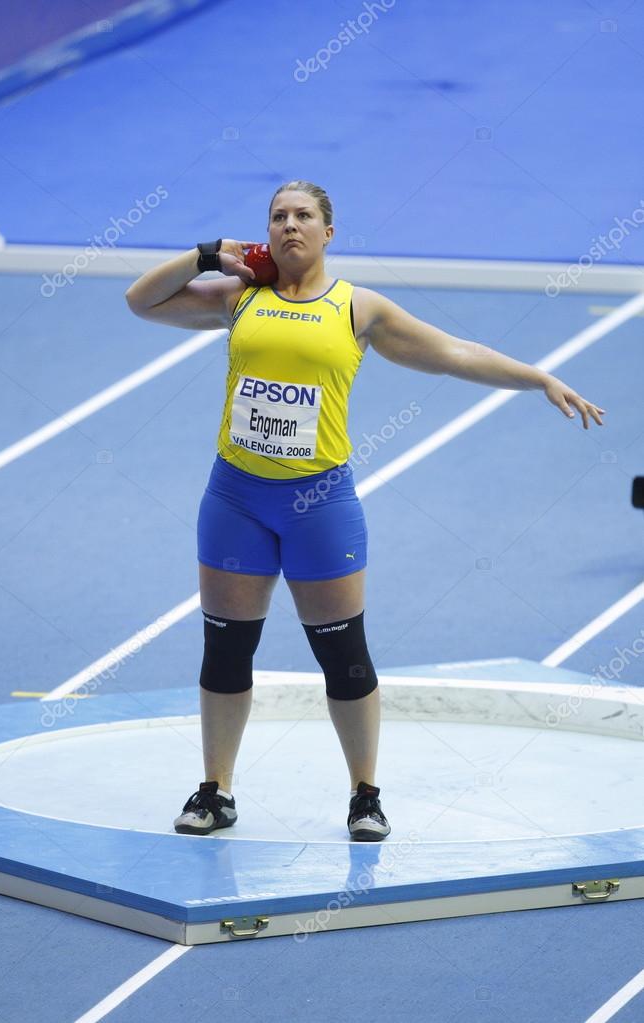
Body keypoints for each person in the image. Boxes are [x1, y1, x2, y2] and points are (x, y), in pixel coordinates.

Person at [125, 179, 605, 843]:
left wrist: (539, 377)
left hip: (319, 506)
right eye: (277, 217)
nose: (289, 226)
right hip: (236, 498)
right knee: (226, 650)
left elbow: (453, 353)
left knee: (343, 655)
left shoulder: (358, 309)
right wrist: (207, 254)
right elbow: (140, 300)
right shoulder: (240, 297)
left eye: (303, 216)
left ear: (328, 232)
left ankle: (365, 794)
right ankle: (216, 789)